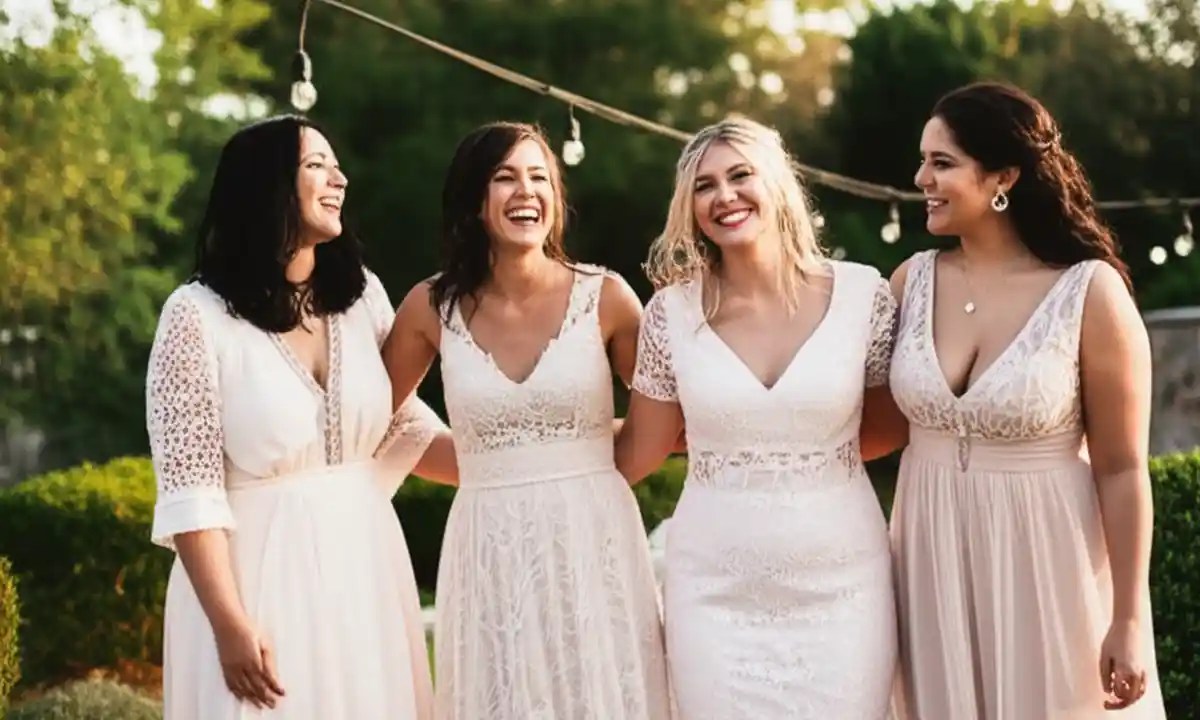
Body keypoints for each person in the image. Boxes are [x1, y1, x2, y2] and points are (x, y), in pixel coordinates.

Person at [145, 115, 450, 719]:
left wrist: (536, 456)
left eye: (337, 166)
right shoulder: (194, 315)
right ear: (269, 185)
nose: (339, 179)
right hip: (258, 583)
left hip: (365, 570)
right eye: (316, 165)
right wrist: (229, 624)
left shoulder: (362, 297)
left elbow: (402, 428)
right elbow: (190, 493)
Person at [887, 81, 1165, 718]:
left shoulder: (1089, 292)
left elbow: (1122, 469)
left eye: (941, 163)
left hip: (1046, 561)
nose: (921, 179)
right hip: (929, 561)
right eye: (923, 161)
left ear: (1003, 176)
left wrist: (1128, 618)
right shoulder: (909, 283)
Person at [381, 122, 671, 719]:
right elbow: (368, 416)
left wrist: (582, 467)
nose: (526, 191)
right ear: (473, 198)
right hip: (486, 543)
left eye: (539, 177)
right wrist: (487, 469)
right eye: (504, 177)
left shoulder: (608, 297)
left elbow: (667, 420)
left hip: (593, 540)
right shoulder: (428, 308)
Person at [614, 116, 900, 719]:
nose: (724, 196)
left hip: (844, 589)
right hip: (713, 594)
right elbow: (642, 448)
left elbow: (884, 430)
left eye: (740, 175)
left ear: (777, 182)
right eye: (704, 186)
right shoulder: (670, 315)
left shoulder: (864, 296)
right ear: (689, 208)